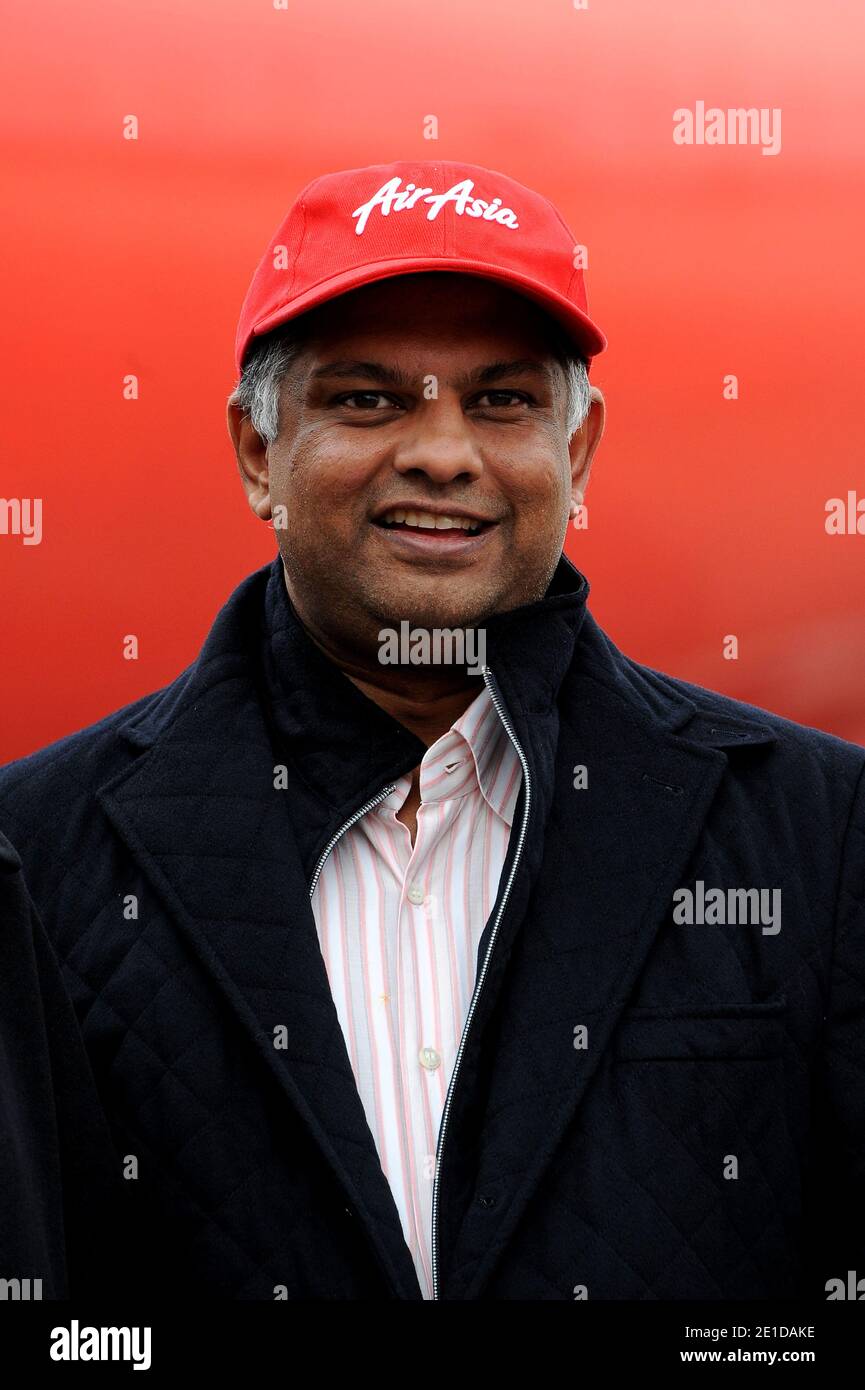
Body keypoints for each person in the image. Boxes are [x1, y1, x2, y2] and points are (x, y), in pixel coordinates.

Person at [0, 159, 862, 1300]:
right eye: (367, 399)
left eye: (500, 400)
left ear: (579, 449)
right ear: (259, 454)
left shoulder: (822, 827)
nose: (442, 451)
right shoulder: (37, 851)